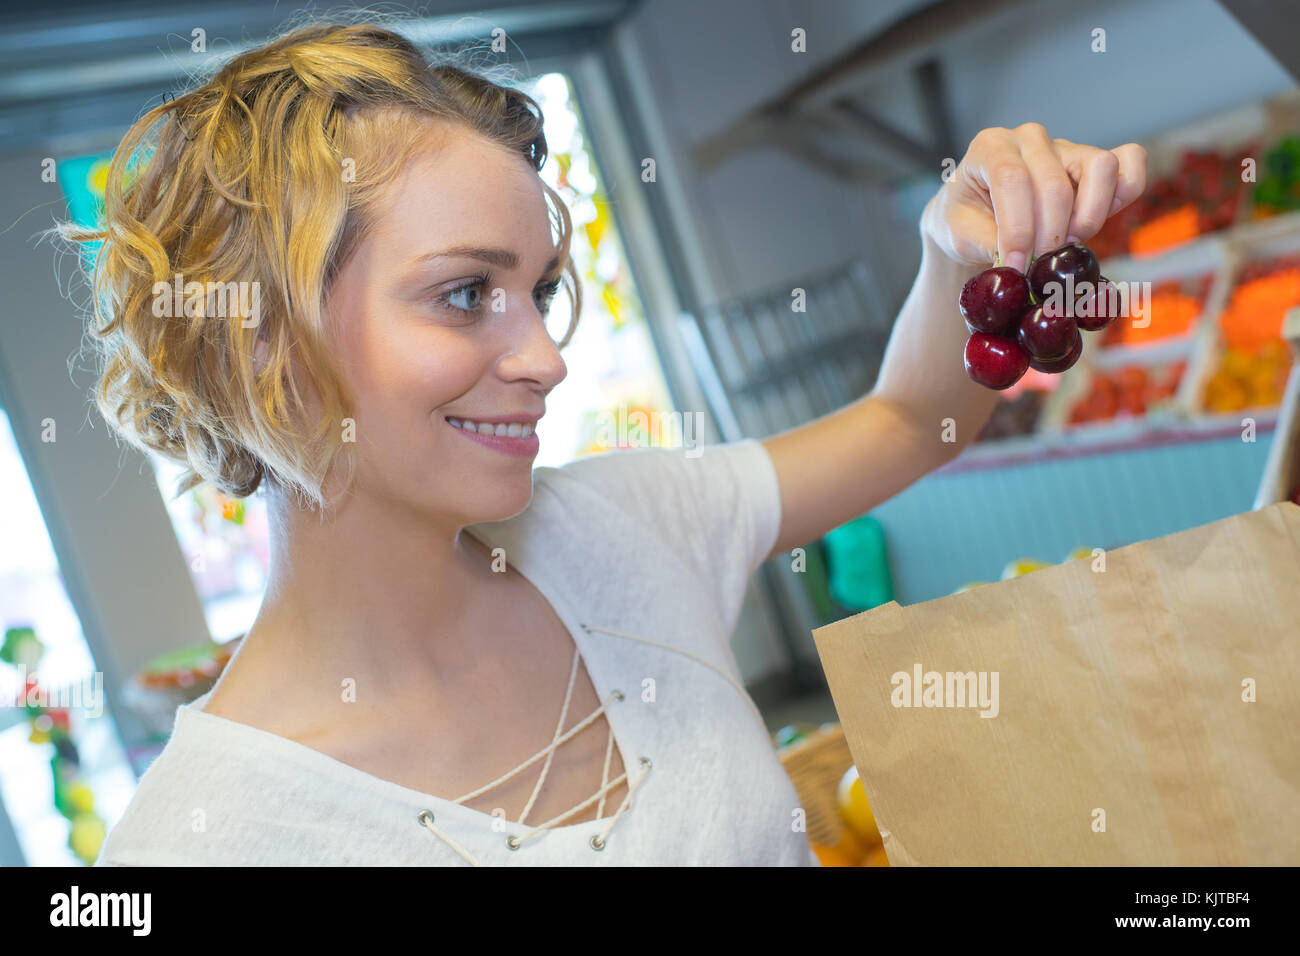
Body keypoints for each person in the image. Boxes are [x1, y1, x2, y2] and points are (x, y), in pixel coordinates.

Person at [65, 21, 1146, 865]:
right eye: (462, 293)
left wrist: (954, 250)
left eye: (536, 291)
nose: (544, 356)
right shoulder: (204, 841)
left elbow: (915, 420)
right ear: (262, 340)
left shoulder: (621, 528)